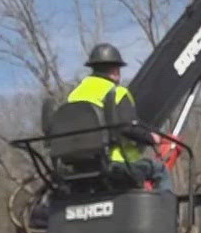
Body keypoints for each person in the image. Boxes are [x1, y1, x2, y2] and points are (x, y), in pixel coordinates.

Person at [62, 43, 165, 188]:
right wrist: (151, 138)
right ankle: (168, 209)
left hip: (81, 167)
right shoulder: (117, 92)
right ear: (115, 71)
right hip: (117, 162)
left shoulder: (74, 95)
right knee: (160, 170)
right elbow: (128, 127)